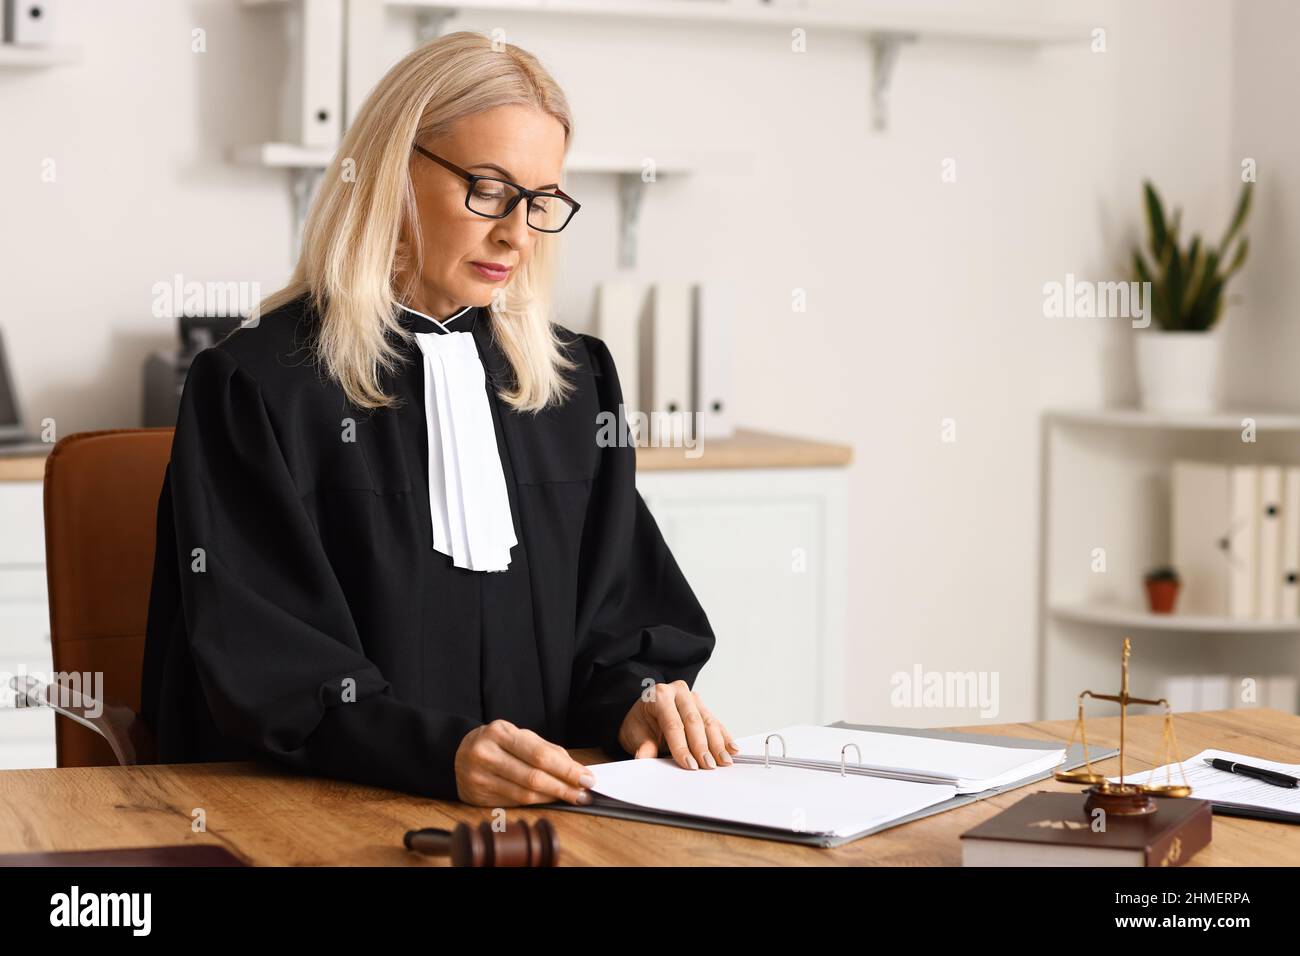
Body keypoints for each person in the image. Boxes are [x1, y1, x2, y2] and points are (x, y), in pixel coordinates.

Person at [141, 31, 735, 808]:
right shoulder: (254, 385)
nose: (516, 234)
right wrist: (438, 755)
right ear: (392, 171)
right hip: (315, 819)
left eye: (541, 202)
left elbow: (616, 624)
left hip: (549, 818)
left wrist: (637, 699)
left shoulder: (572, 384)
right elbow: (271, 666)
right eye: (487, 190)